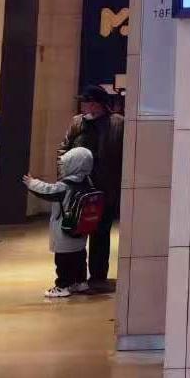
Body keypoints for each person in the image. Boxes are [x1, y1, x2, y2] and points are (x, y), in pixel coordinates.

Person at [59, 85, 123, 291]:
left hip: (105, 189)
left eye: (86, 102)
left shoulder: (118, 124)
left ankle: (97, 276)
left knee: (101, 234)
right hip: (78, 188)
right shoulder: (77, 122)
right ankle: (77, 278)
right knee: (75, 234)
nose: (83, 106)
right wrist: (64, 178)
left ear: (97, 104)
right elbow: (63, 150)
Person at [23, 147, 95, 299]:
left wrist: (32, 183)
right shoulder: (87, 182)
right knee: (80, 257)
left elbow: (48, 191)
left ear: (73, 165)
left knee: (62, 261)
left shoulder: (65, 186)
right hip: (81, 229)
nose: (62, 167)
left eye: (65, 164)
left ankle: (62, 286)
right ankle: (80, 282)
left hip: (65, 230)